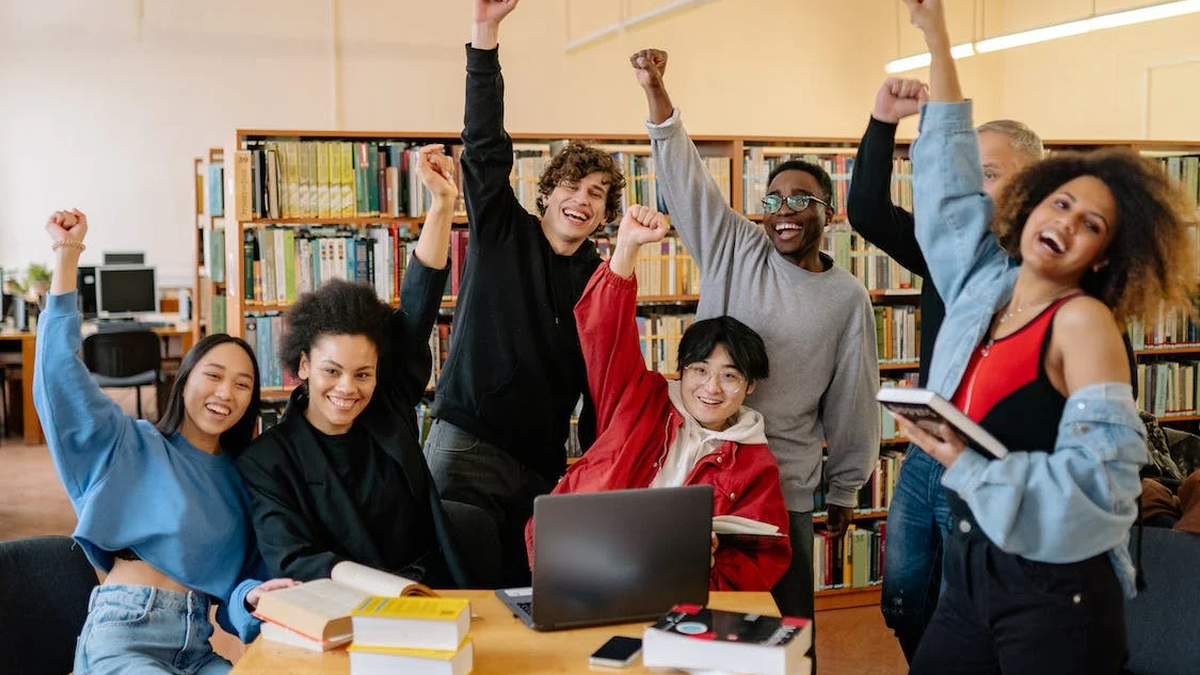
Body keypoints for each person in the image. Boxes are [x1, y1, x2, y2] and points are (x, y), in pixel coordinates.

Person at [894, 1, 1199, 672]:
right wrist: (937, 36)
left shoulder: (1084, 322)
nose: (1066, 221)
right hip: (973, 569)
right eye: (1061, 201)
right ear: (1032, 204)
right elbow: (946, 177)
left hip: (1054, 591)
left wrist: (966, 463)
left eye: (1092, 223)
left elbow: (1106, 492)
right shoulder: (982, 281)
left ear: (1103, 256)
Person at [631, 48, 881, 628]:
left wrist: (845, 488)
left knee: (787, 627)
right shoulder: (735, 247)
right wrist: (656, 91)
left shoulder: (847, 298)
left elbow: (852, 396)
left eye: (800, 200)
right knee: (687, 617)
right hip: (704, 468)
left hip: (784, 481)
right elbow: (686, 179)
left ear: (829, 211)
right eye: (772, 200)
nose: (783, 211)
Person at [33, 209, 294, 675]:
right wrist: (66, 253)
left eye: (242, 384)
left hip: (197, 646)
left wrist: (253, 595)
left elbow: (239, 600)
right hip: (124, 632)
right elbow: (57, 374)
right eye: (213, 376)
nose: (224, 393)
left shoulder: (243, 481)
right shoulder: (129, 443)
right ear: (184, 378)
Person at [423, 0, 626, 587]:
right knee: (452, 590)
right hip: (466, 445)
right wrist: (483, 35)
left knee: (524, 596)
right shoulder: (500, 230)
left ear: (604, 215)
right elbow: (484, 143)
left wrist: (592, 468)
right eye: (570, 185)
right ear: (545, 194)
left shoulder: (599, 281)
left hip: (540, 465)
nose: (581, 200)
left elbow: (600, 383)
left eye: (596, 194)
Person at [845, 78, 1044, 661]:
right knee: (905, 599)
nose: (972, 189)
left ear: (1032, 182)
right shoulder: (944, 250)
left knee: (969, 608)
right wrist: (884, 122)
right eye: (965, 174)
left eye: (989, 173)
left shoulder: (1048, 266)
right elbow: (868, 212)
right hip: (926, 453)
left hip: (991, 459)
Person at [236, 145, 472, 588]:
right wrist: (386, 587)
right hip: (343, 605)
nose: (348, 388)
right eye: (331, 370)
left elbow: (418, 308)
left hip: (437, 591)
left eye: (363, 373)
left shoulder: (389, 408)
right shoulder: (267, 461)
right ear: (302, 365)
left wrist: (442, 205)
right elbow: (290, 556)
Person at [524, 205, 791, 590]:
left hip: (675, 591)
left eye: (730, 376)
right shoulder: (638, 400)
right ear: (681, 369)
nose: (711, 388)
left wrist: (707, 571)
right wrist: (628, 245)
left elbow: (762, 558)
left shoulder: (755, 460)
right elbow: (606, 332)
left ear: (750, 386)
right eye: (700, 371)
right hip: (584, 565)